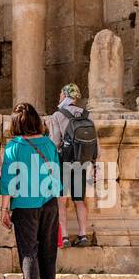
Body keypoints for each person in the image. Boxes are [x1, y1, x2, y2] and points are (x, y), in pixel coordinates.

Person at [0, 102, 61, 279]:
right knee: (48, 248)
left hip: (25, 204)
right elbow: (56, 174)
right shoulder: (49, 144)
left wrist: (4, 209)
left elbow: (8, 181)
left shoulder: (14, 147)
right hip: (49, 202)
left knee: (28, 250)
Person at [49, 83, 93, 247]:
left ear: (66, 95)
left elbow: (55, 142)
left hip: (63, 161)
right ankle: (83, 234)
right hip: (82, 161)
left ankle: (65, 236)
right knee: (79, 200)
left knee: (61, 201)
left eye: (61, 94)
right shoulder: (87, 114)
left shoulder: (57, 115)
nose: (59, 97)